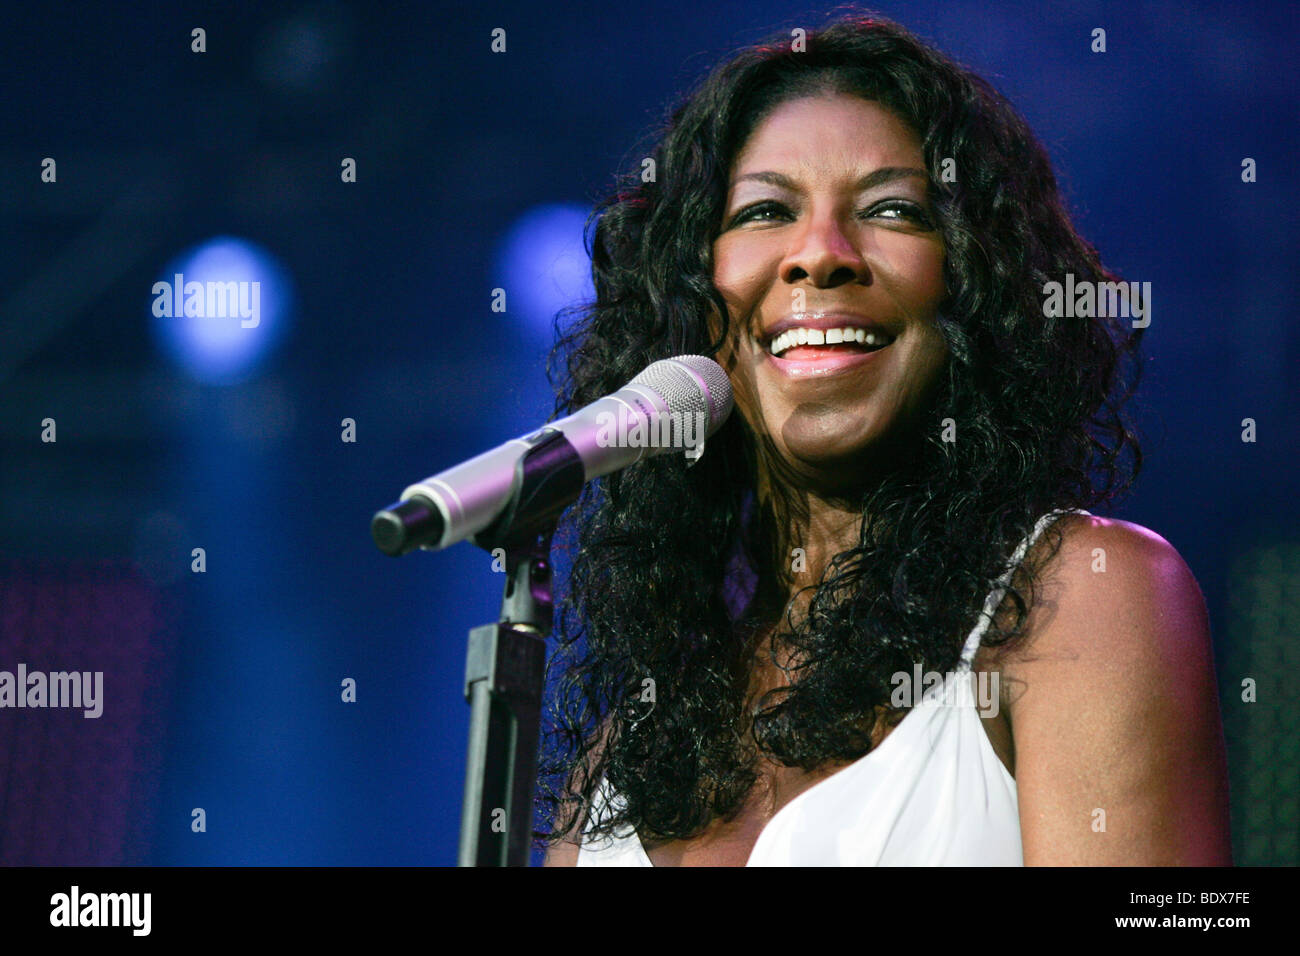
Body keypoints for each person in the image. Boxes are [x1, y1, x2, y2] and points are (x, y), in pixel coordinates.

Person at [536, 12, 1231, 866]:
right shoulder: (618, 763)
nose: (820, 254)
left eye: (893, 209)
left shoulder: (1084, 602)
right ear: (692, 307)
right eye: (764, 211)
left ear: (975, 286)